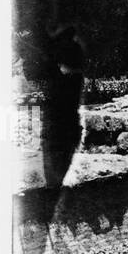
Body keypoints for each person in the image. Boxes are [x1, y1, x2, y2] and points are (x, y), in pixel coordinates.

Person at [40, 25, 86, 192]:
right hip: (66, 120)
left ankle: (54, 184)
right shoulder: (74, 51)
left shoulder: (66, 54)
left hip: (61, 121)